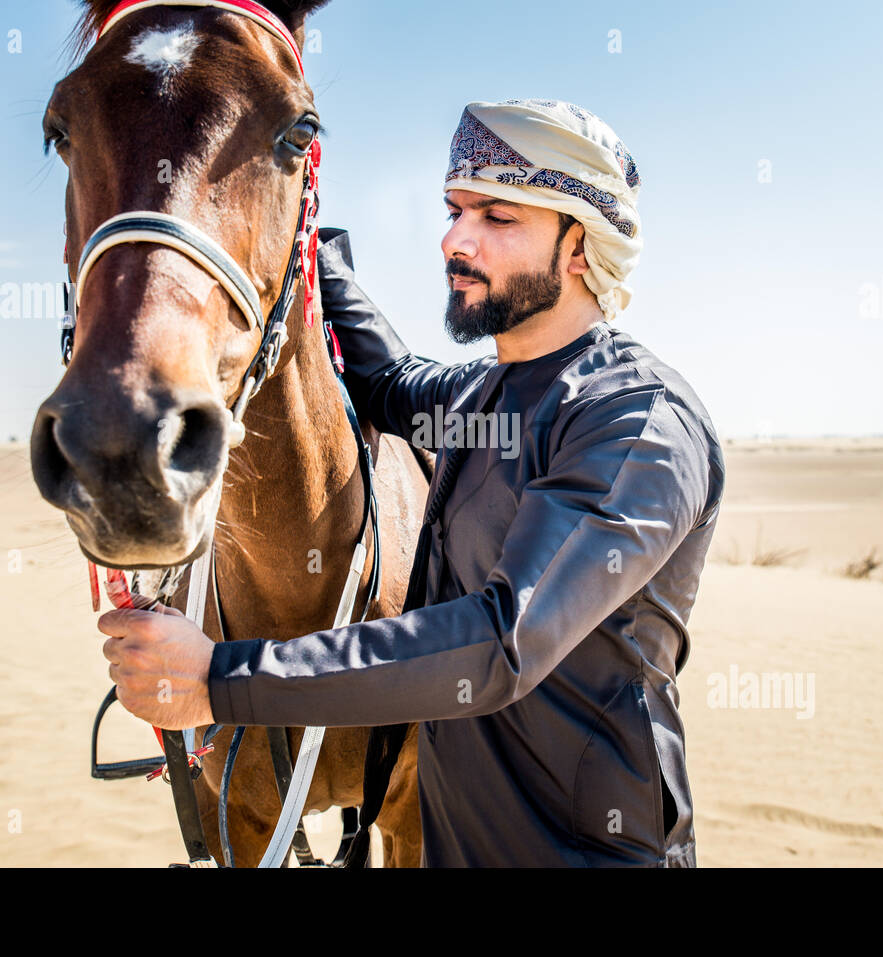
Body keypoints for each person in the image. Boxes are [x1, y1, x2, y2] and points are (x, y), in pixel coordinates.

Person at [99, 98, 725, 867]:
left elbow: (502, 641)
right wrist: (297, 231)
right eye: (455, 209)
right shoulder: (479, 401)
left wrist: (219, 679)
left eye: (498, 216)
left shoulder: (636, 422)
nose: (454, 240)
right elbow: (389, 377)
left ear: (579, 245)